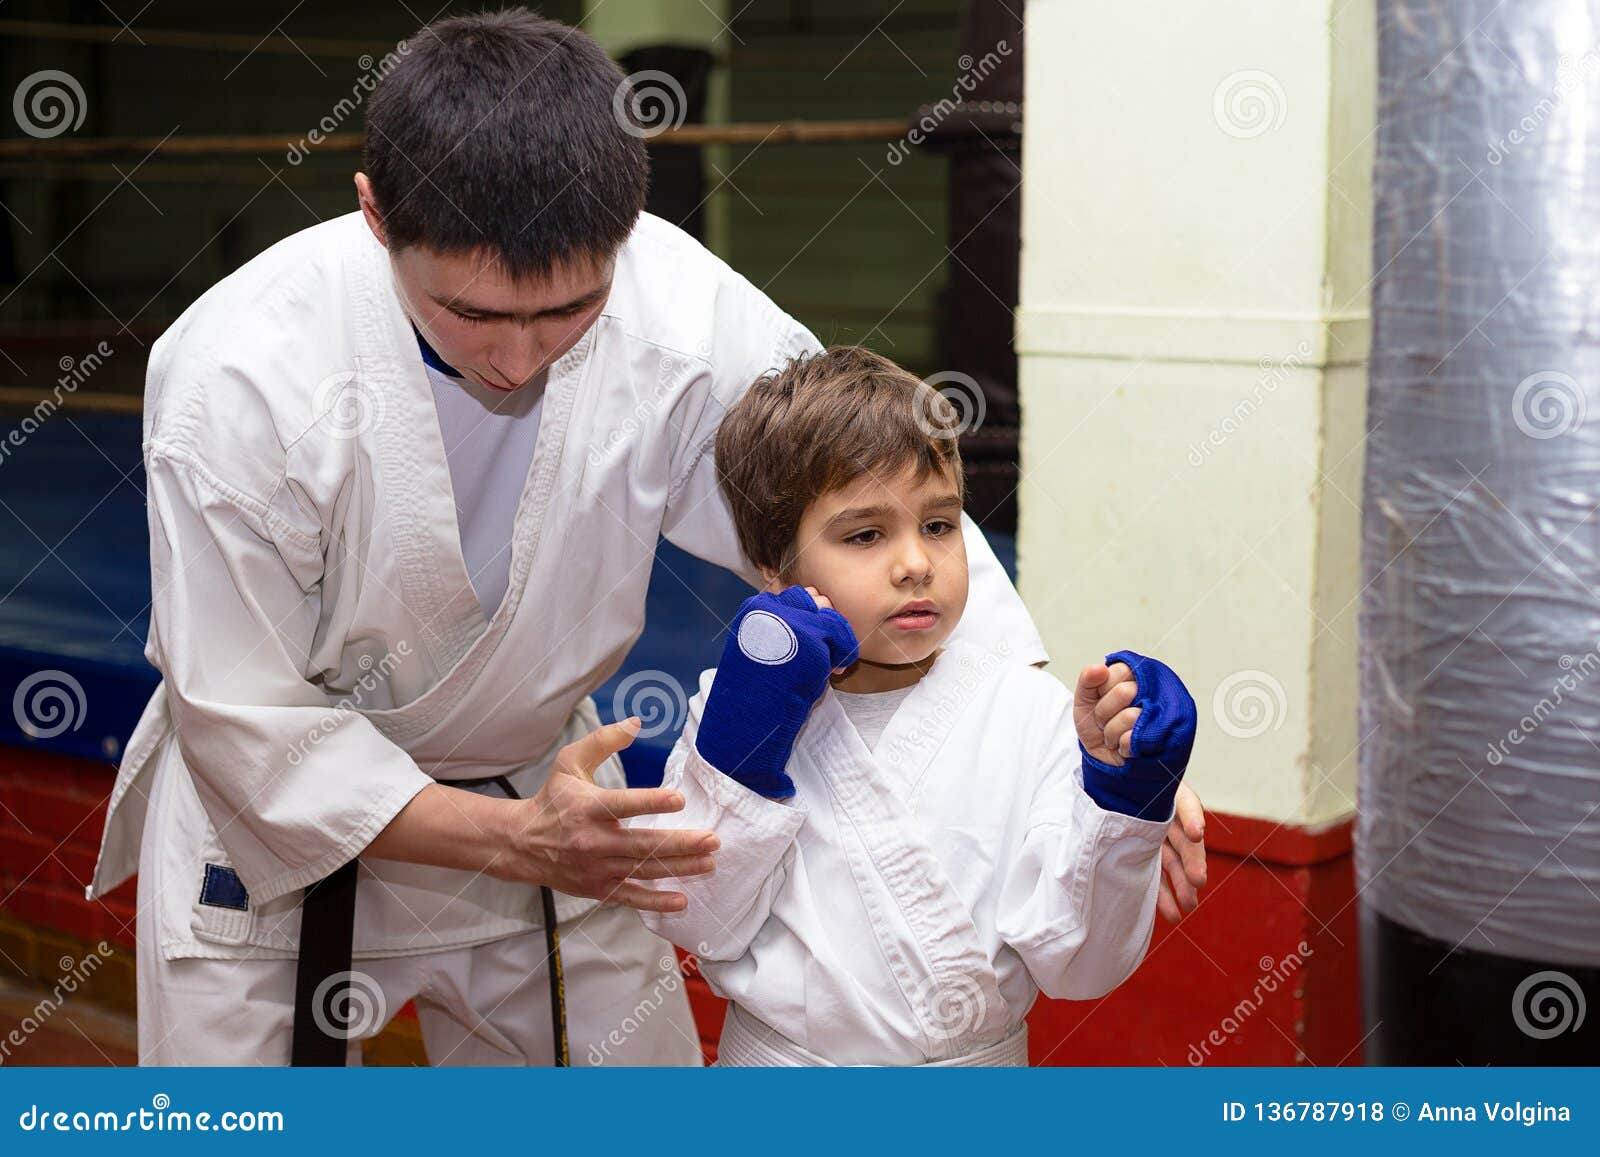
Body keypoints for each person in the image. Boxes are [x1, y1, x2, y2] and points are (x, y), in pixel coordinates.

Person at [82, 10, 1143, 1066]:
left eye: (567, 312)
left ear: (627, 229)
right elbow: (246, 716)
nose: (518, 358)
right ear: (373, 214)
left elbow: (873, 495)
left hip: (542, 780)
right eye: (473, 314)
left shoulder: (675, 307)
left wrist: (1073, 755)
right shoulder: (239, 378)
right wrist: (516, 839)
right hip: (277, 830)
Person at [637, 347, 1199, 1066]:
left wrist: (1122, 801)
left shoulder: (1028, 710)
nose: (915, 563)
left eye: (938, 524)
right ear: (775, 567)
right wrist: (740, 753)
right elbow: (695, 923)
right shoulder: (735, 706)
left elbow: (1080, 968)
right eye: (865, 535)